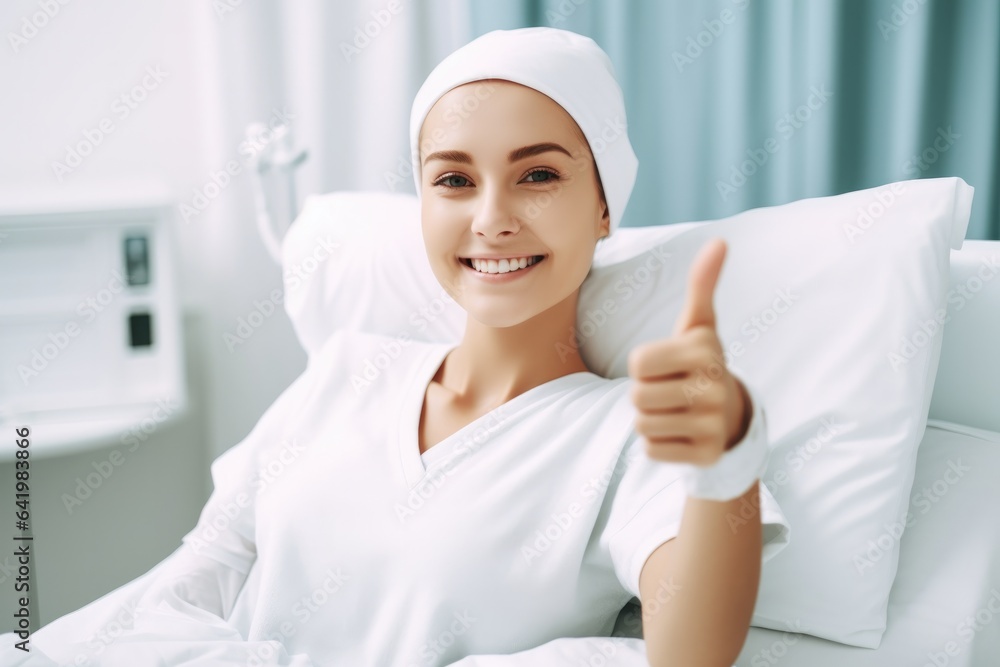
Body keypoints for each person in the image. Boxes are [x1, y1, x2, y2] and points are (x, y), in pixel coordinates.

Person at [1, 27, 789, 667]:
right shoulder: (345, 371)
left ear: (605, 204)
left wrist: (726, 467)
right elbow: (198, 575)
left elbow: (688, 653)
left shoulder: (629, 432)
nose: (491, 218)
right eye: (453, 180)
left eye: (538, 175)